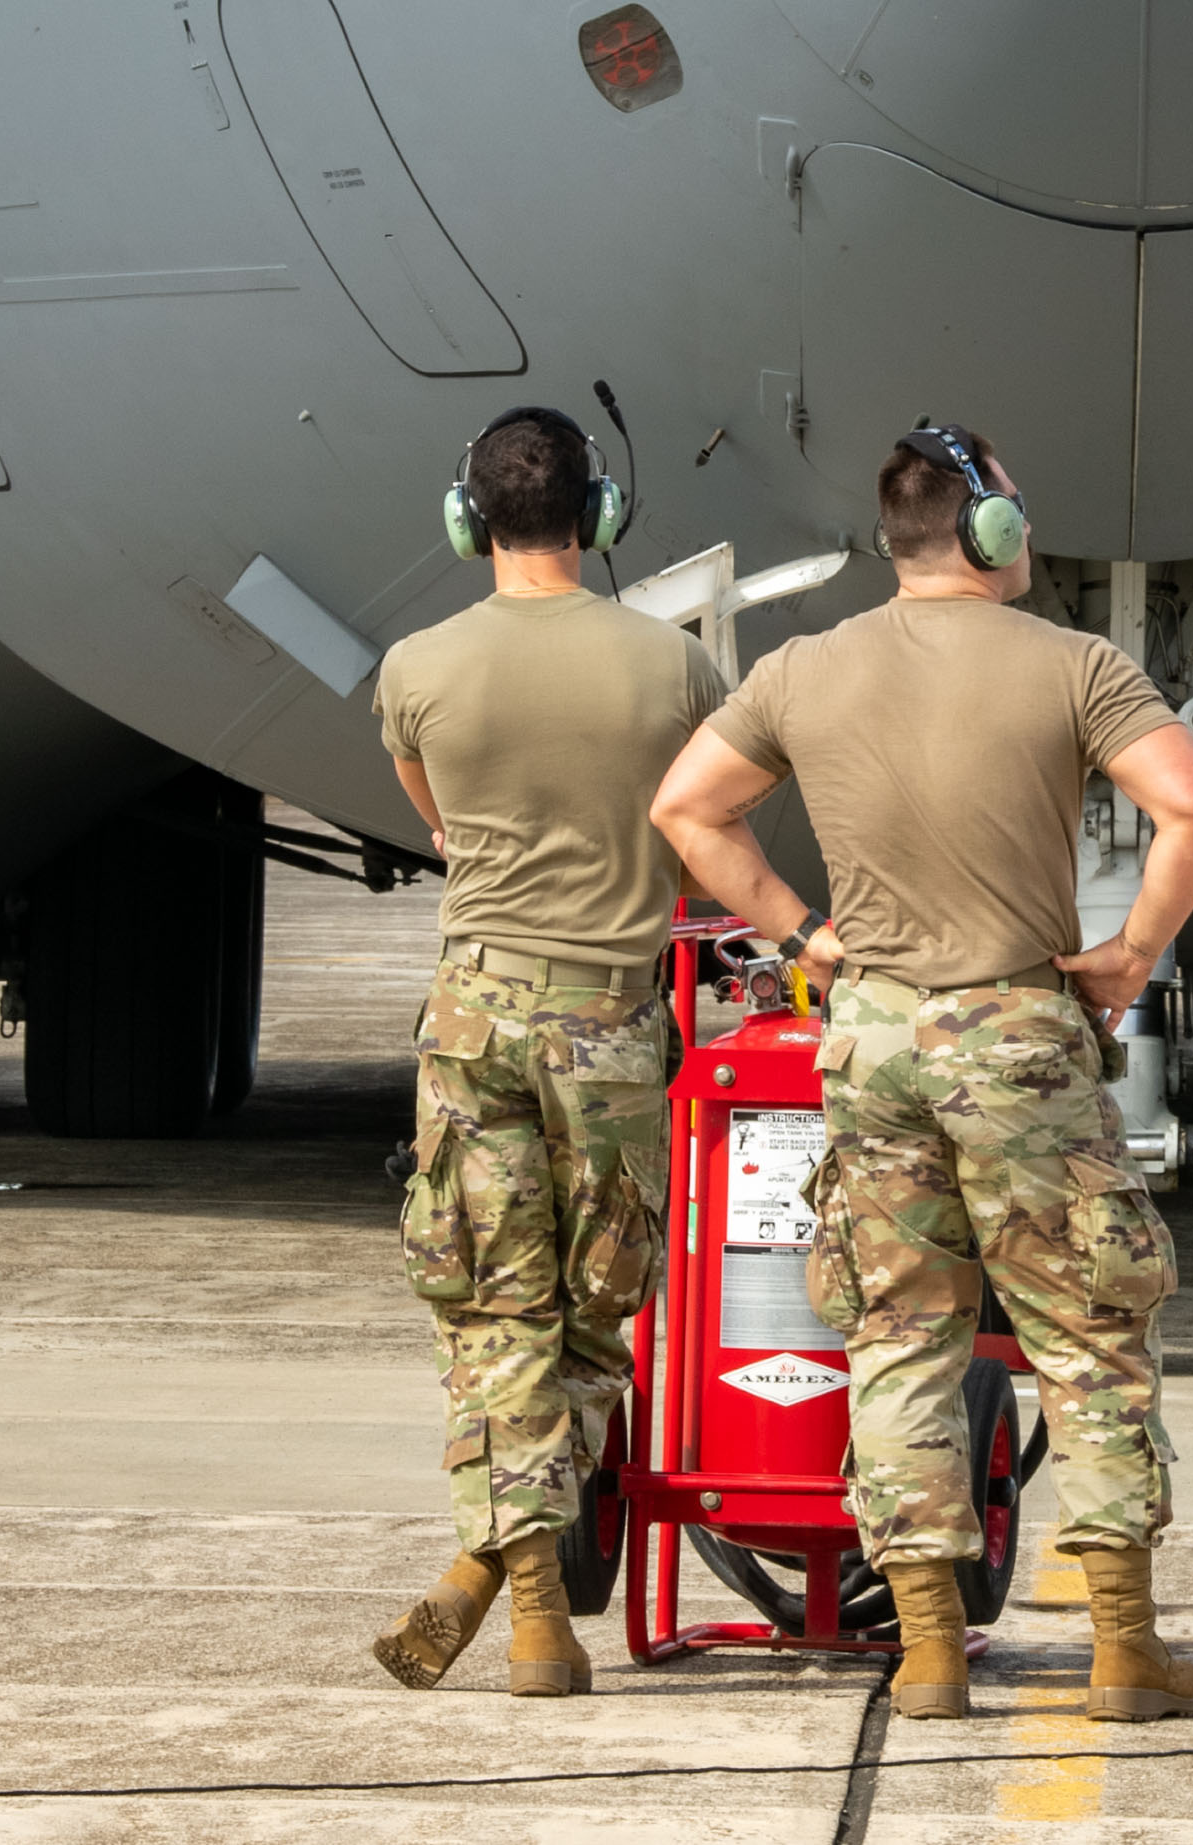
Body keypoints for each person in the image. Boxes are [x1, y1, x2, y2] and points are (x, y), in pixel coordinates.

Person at [648, 425, 1193, 1724]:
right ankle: (1124, 1653)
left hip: (870, 1043)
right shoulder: (1076, 663)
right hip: (1015, 1036)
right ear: (989, 532)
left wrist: (799, 931)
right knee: (1088, 1334)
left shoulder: (805, 668)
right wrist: (1132, 949)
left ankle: (924, 1652)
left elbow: (687, 807)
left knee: (897, 1335)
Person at [364, 405, 706, 1700]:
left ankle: (510, 1597)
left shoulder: (416, 662)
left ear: (469, 519)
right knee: (595, 1311)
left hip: (474, 1015)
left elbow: (436, 815)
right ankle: (519, 1596)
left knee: (490, 1302)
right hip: (610, 1018)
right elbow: (708, 798)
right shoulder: (670, 665)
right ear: (599, 511)